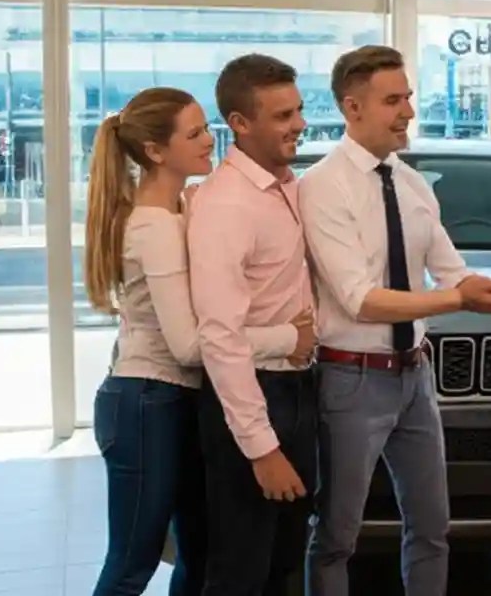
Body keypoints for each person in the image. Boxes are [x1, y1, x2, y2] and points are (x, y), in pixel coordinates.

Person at [299, 45, 491, 596]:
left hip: (415, 377)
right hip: (350, 379)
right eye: (393, 100)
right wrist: (458, 301)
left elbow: (452, 271)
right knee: (337, 536)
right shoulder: (322, 187)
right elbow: (361, 299)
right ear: (351, 107)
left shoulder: (412, 184)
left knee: (432, 528)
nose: (407, 111)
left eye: (407, 97)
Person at [83, 87, 314, 596]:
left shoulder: (186, 207)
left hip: (176, 398)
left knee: (196, 555)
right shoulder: (156, 227)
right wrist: (285, 337)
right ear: (155, 152)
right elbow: (191, 345)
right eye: (195, 134)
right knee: (132, 562)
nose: (211, 140)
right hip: (147, 400)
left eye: (206, 127)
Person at [186, 54, 319, 596]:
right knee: (241, 571)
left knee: (284, 562)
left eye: (299, 109)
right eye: (283, 115)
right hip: (253, 399)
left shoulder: (288, 185)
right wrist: (261, 450)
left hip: (299, 389)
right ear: (240, 124)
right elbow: (219, 337)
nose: (300, 124)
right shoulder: (225, 205)